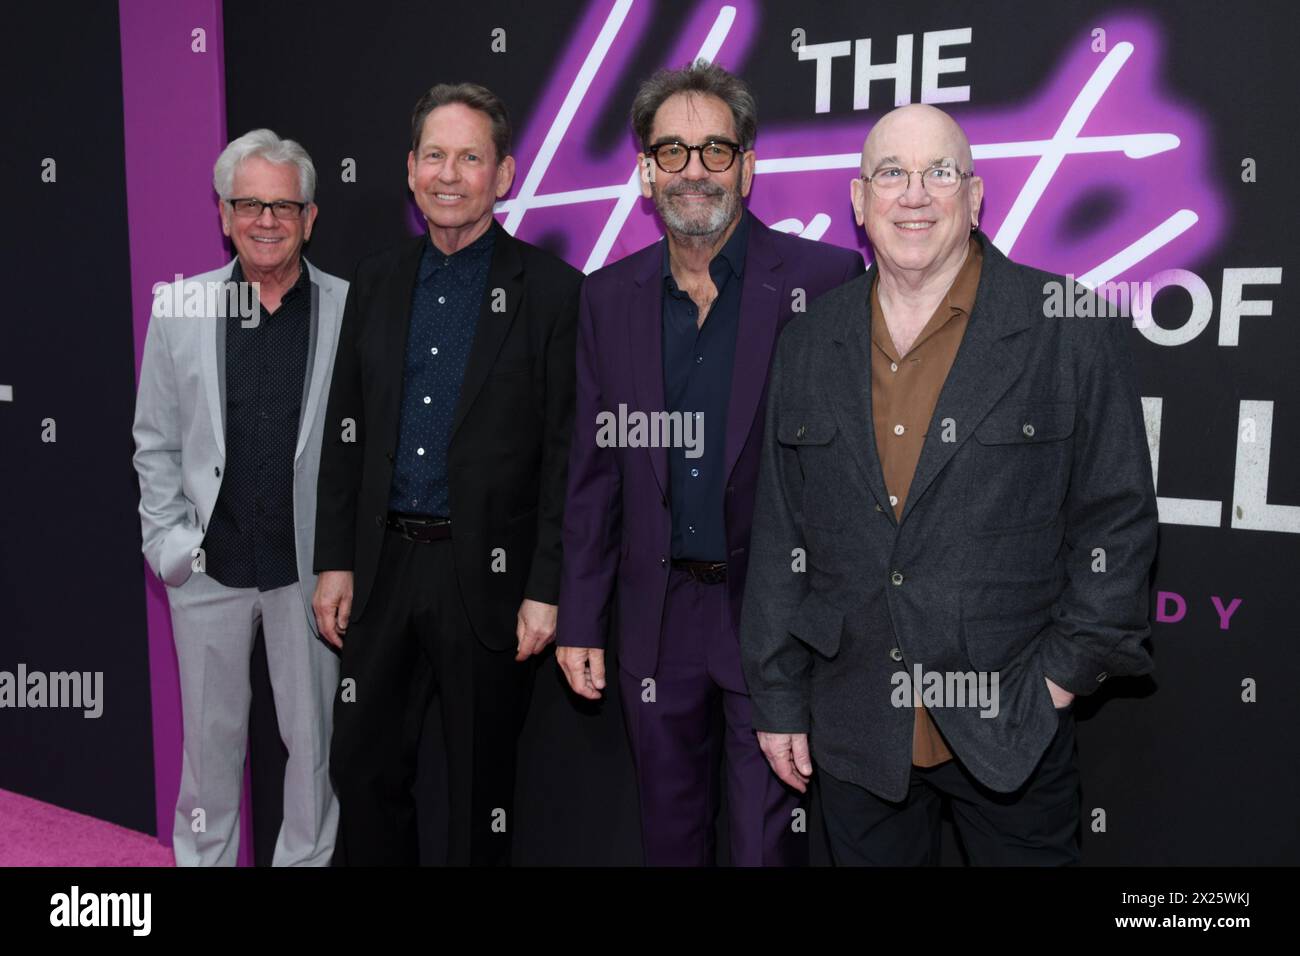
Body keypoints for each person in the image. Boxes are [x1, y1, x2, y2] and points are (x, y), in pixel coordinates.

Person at [740, 103, 1158, 865]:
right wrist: (776, 698)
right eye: (891, 173)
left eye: (940, 172)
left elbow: (1119, 523)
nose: (915, 194)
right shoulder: (808, 342)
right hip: (855, 729)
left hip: (1012, 730)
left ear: (976, 195)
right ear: (859, 201)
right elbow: (780, 536)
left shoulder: (1067, 326)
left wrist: (1059, 681)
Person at [557, 60, 865, 866]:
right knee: (670, 842)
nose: (694, 170)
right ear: (644, 172)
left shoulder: (824, 281)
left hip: (773, 621)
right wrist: (582, 614)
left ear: (749, 165)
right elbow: (592, 471)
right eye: (672, 151)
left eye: (715, 150)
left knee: (766, 850)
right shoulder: (607, 297)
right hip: (654, 623)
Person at [313, 82, 583, 865]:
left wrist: (547, 585)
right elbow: (346, 430)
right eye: (434, 155)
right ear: (408, 169)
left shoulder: (556, 293)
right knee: (363, 772)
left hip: (487, 581)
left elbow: (569, 452)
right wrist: (335, 558)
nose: (449, 174)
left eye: (471, 157)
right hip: (383, 568)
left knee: (480, 795)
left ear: (503, 175)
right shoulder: (377, 281)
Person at [133, 128, 344, 866]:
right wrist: (169, 547)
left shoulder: (349, 309)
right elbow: (153, 441)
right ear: (224, 214)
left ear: (310, 218)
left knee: (311, 752)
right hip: (210, 570)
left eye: (284, 206)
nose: (266, 220)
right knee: (209, 753)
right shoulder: (180, 309)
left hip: (309, 577)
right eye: (249, 204)